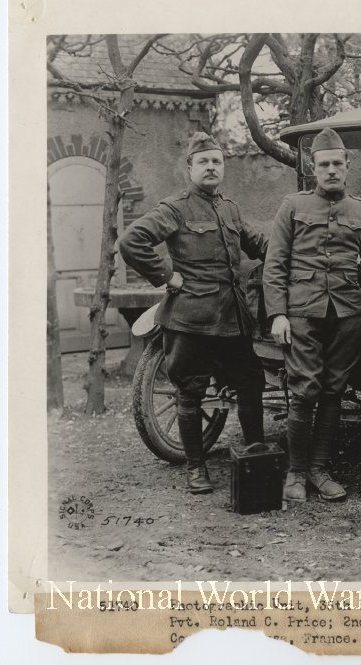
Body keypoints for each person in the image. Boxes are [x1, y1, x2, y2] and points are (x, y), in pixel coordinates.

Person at [120, 132, 268, 495]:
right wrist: (166, 276)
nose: (211, 167)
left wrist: (292, 249)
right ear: (189, 168)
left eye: (217, 161)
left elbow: (258, 243)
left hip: (233, 319)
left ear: (224, 167)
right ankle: (196, 467)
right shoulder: (175, 208)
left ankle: (256, 455)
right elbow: (131, 241)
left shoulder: (229, 208)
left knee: (250, 383)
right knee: (190, 392)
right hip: (192, 320)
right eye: (203, 162)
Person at [263, 127, 361, 504]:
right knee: (304, 392)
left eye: (337, 163)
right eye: (323, 164)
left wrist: (360, 298)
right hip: (302, 312)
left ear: (348, 166)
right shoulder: (293, 206)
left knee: (334, 392)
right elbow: (275, 263)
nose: (331, 170)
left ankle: (319, 469)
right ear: (312, 168)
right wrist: (278, 314)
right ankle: (296, 473)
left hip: (347, 314)